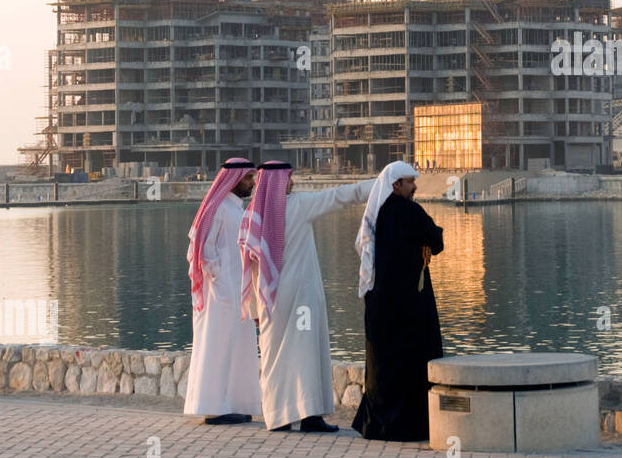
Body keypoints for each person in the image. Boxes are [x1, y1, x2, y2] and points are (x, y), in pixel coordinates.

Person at [239, 161, 376, 433]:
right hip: (301, 298)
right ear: (279, 181)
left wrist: (254, 308)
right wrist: (378, 185)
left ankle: (279, 417)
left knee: (275, 359)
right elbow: (338, 197)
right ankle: (310, 417)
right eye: (289, 178)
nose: (292, 183)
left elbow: (251, 269)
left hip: (270, 301)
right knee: (305, 354)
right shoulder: (298, 205)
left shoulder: (251, 216)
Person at [351, 161, 445, 441]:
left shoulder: (376, 215)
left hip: (380, 302)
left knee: (384, 363)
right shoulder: (409, 211)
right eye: (410, 182)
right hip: (411, 305)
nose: (415, 186)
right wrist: (427, 241)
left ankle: (378, 426)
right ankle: (410, 426)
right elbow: (436, 240)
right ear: (395, 185)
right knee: (412, 360)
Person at [183, 158, 261, 425]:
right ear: (235, 179)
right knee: (216, 347)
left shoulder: (235, 208)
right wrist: (219, 280)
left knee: (238, 347)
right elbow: (202, 247)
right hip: (220, 294)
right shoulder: (217, 208)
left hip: (237, 292)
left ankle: (234, 403)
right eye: (248, 178)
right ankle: (214, 408)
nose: (252, 183)